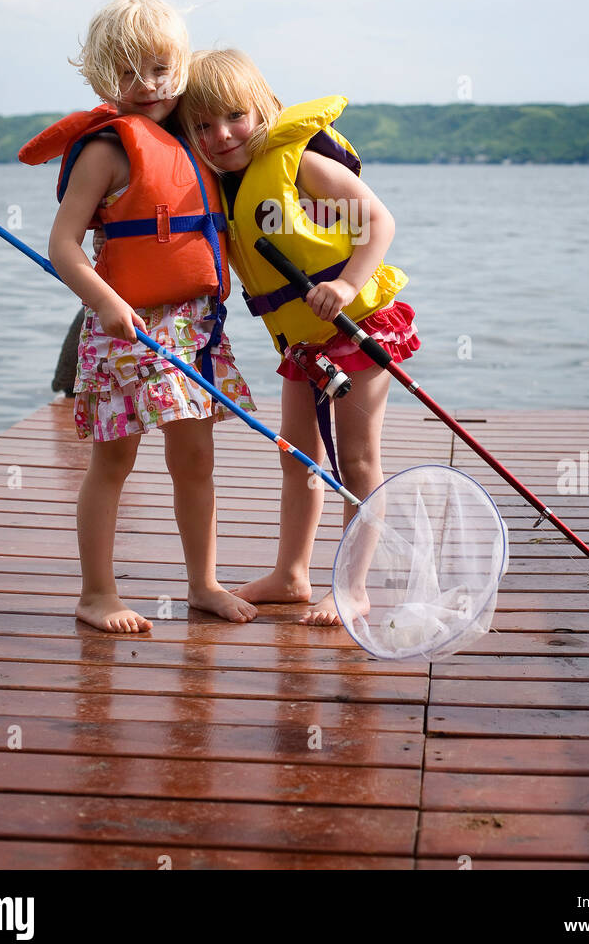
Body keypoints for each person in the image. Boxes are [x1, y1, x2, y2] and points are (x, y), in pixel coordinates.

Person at [19, 0, 258, 632]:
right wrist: (106, 302)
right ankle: (97, 592)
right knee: (114, 460)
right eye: (128, 73)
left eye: (158, 68)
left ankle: (204, 584)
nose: (146, 86)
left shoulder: (195, 135)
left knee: (196, 459)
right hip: (124, 326)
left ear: (180, 65)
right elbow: (62, 246)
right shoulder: (107, 151)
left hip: (194, 325)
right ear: (104, 80)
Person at [177, 48, 419, 626]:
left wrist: (346, 284)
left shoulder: (301, 162)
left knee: (357, 459)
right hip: (302, 345)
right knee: (298, 458)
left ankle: (354, 587)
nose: (221, 135)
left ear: (263, 107)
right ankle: (291, 575)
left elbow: (378, 221)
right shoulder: (230, 185)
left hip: (357, 327)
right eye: (203, 126)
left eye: (234, 116)